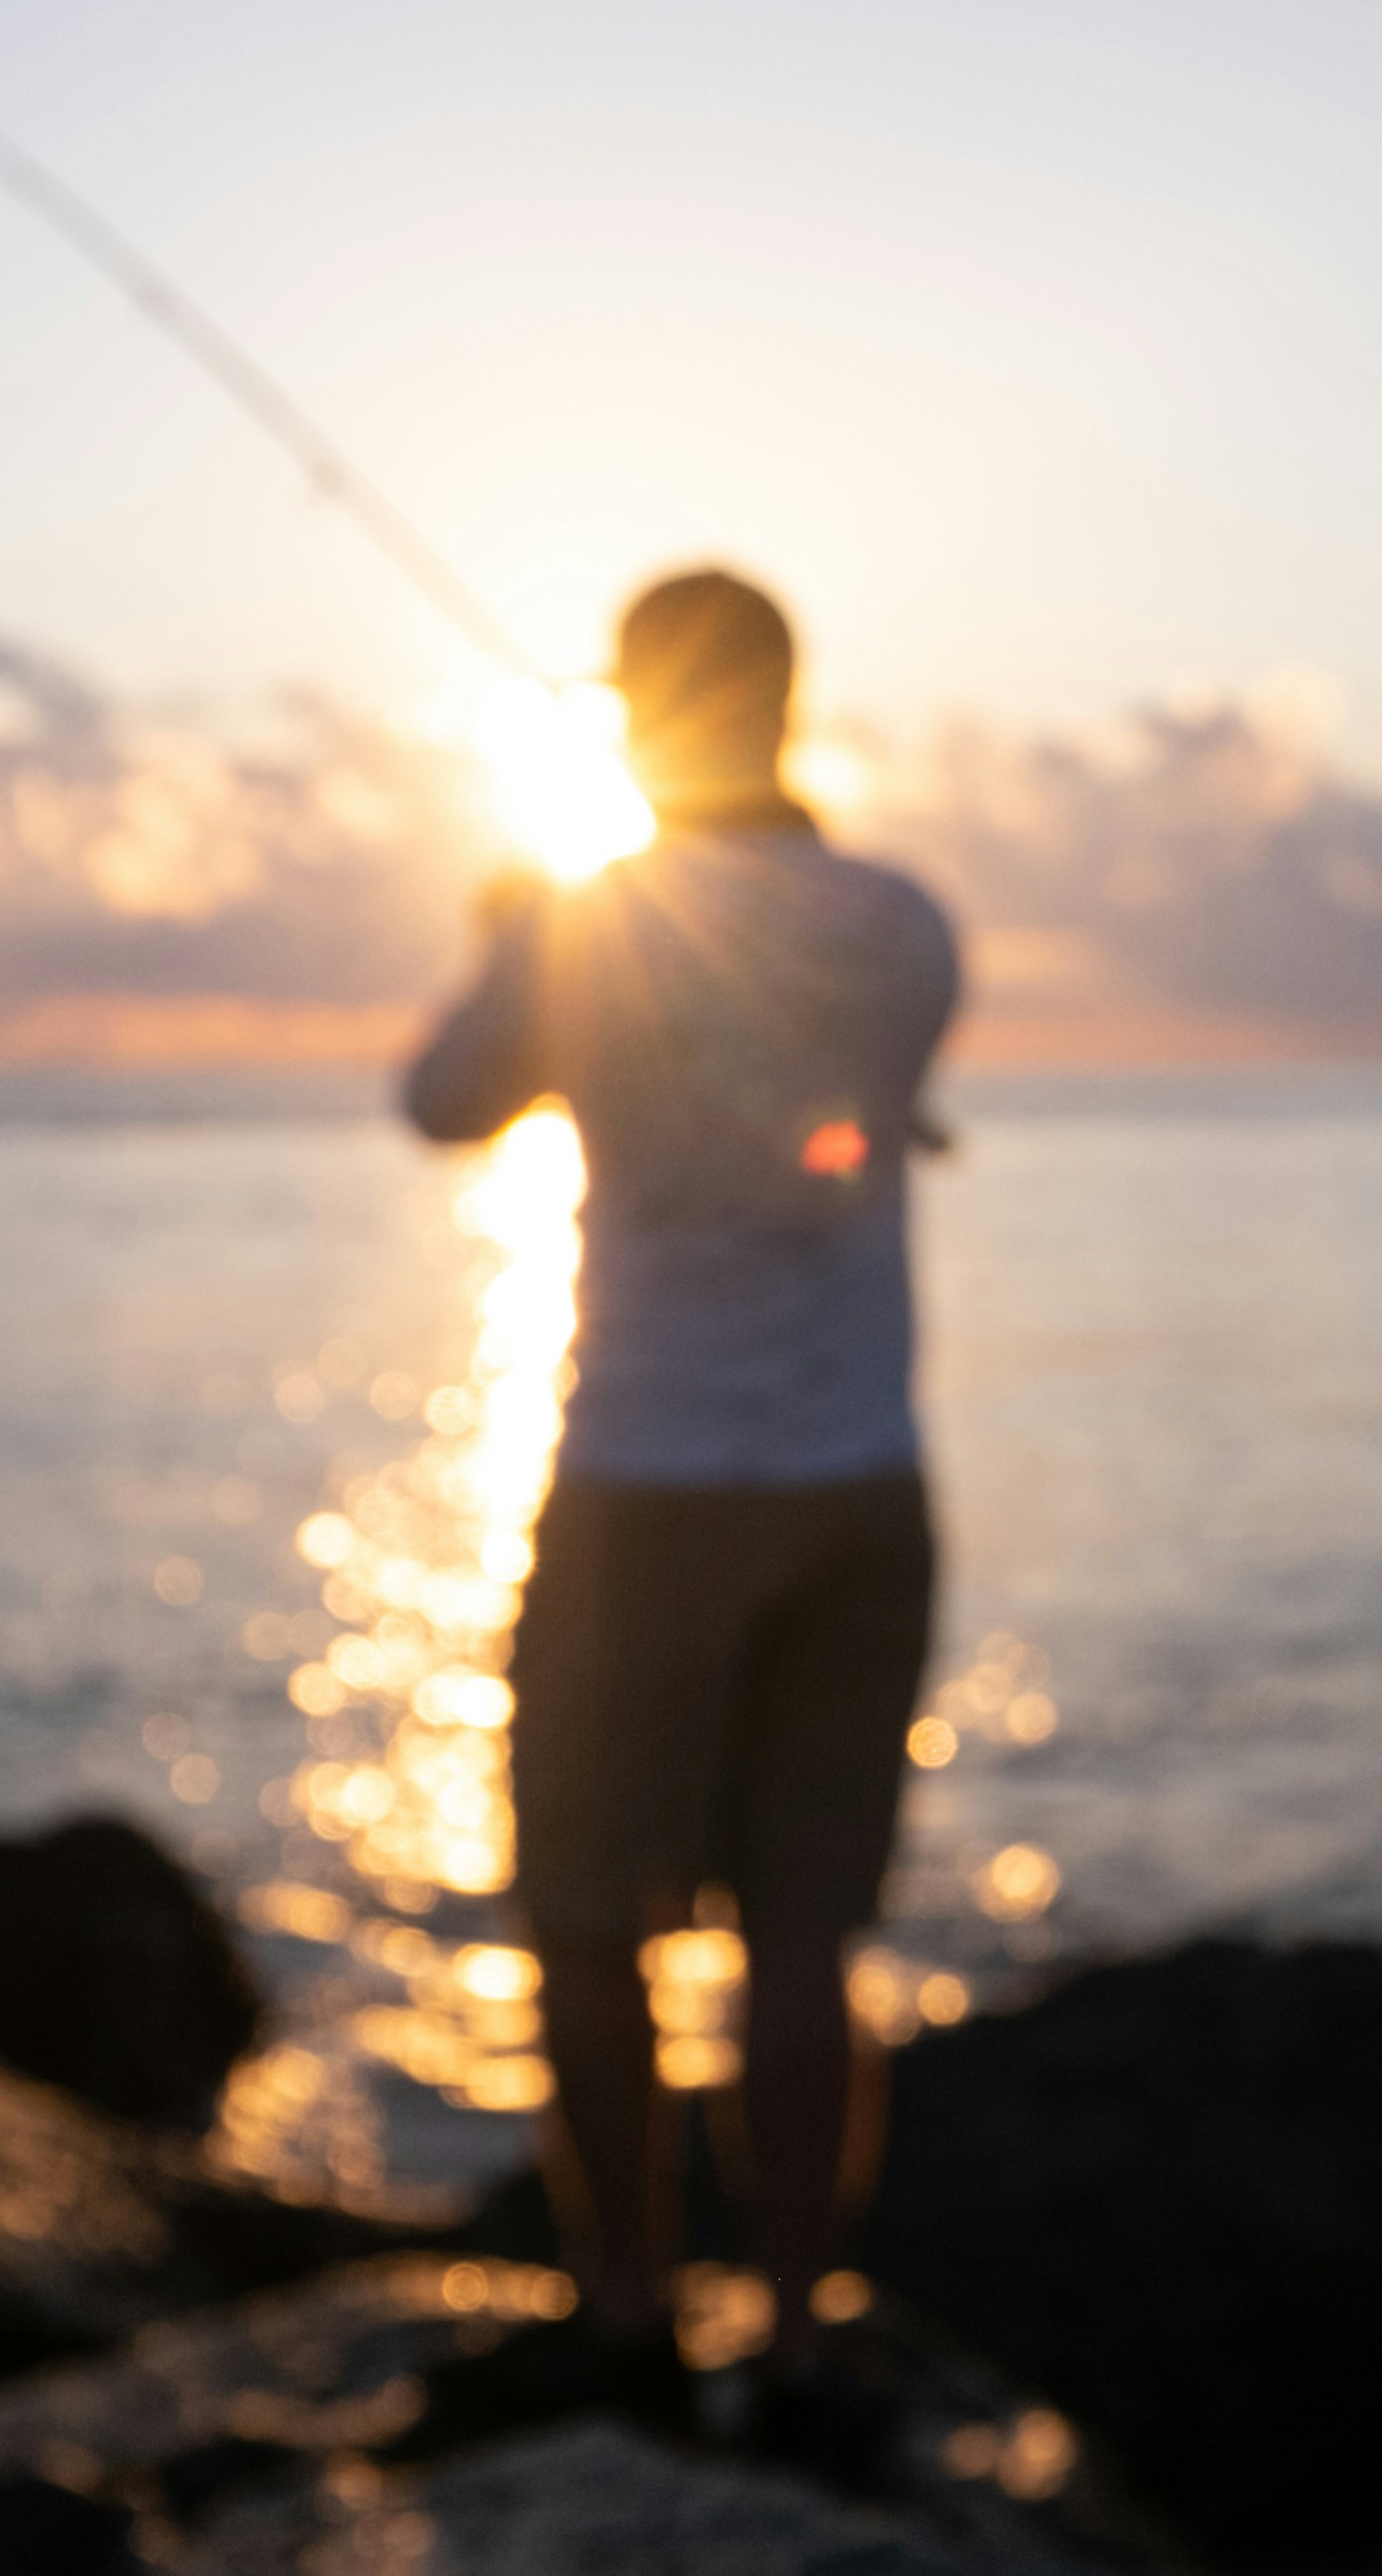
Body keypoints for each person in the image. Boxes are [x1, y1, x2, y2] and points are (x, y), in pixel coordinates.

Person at [398, 567, 963, 2447]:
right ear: (790, 704)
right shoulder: (903, 929)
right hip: (859, 1488)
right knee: (808, 1940)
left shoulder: (578, 931)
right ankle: (803, 2338)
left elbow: (441, 1102)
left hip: (646, 1486)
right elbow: (850, 1102)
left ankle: (631, 2315)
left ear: (635, 712)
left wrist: (508, 933)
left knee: (587, 1918)